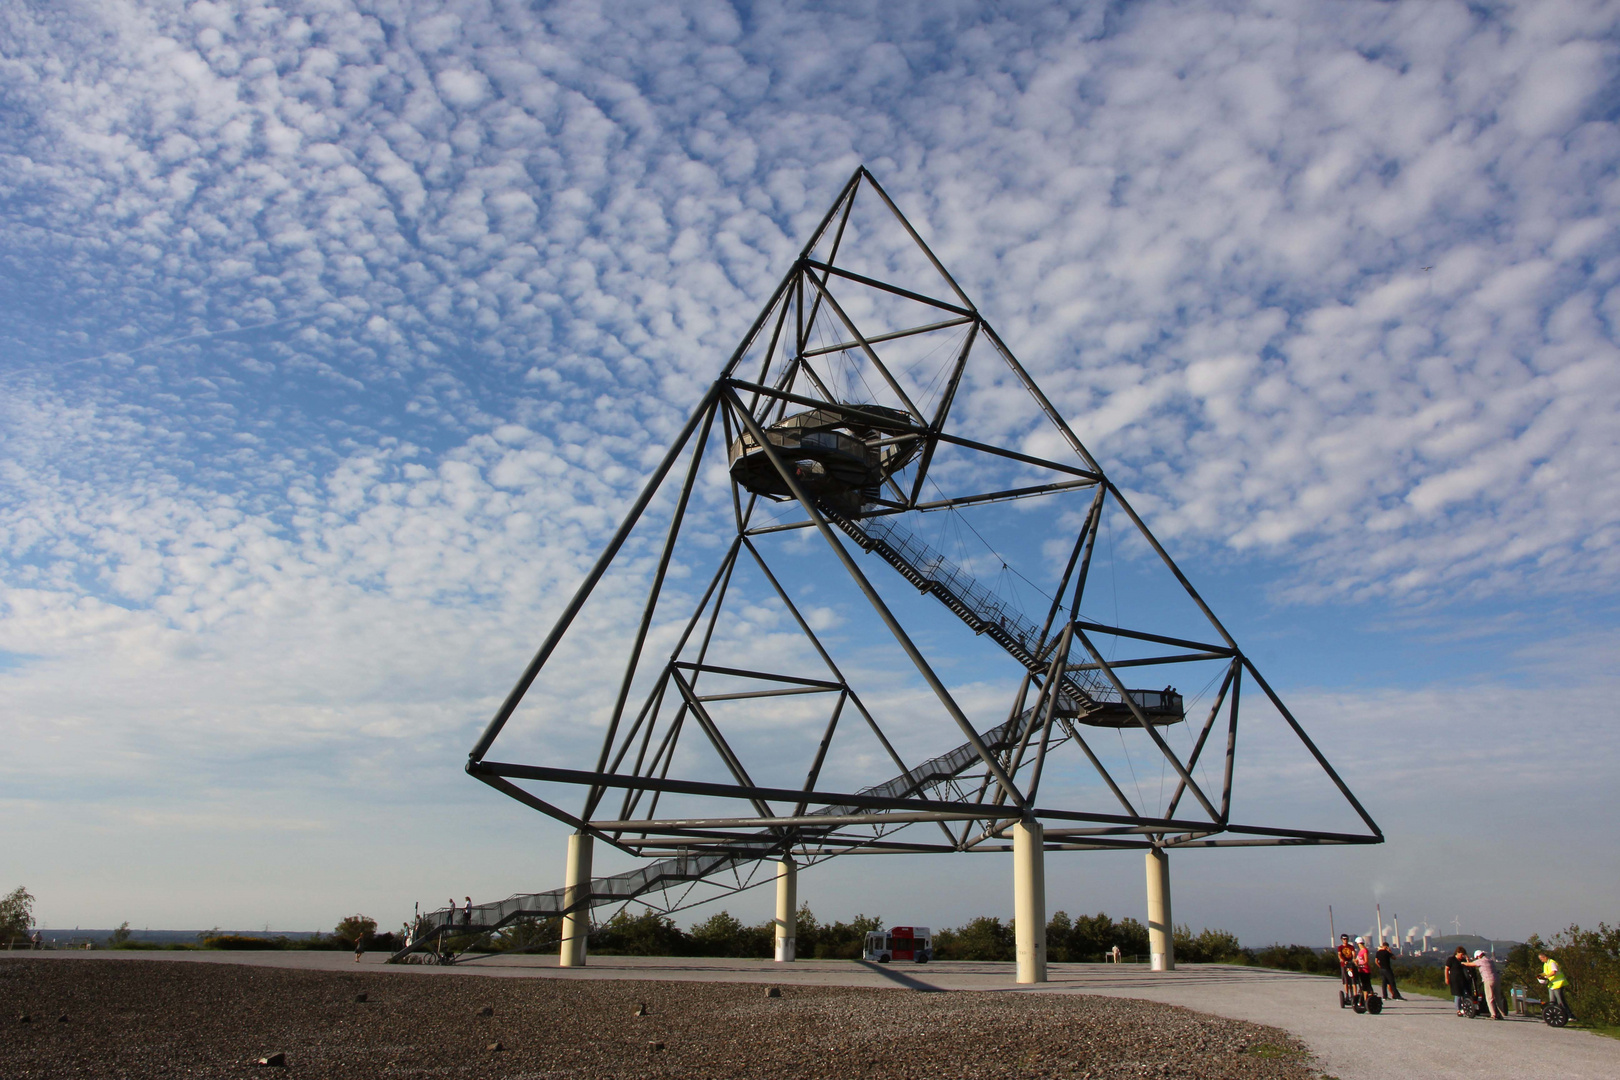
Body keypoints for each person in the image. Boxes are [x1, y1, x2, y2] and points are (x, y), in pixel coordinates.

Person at [1464, 950, 1505, 1019]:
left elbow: (1470, 964)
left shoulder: (1481, 961)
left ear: (1478, 956)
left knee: (1489, 998)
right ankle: (1502, 1014)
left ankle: (1493, 1015)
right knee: (1498, 998)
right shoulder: (1490, 960)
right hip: (1497, 980)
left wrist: (1463, 963)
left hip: (1488, 980)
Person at [1538, 952, 1577, 1022]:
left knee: (1560, 1001)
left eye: (1541, 959)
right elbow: (1545, 972)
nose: (1541, 960)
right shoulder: (1545, 964)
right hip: (1552, 984)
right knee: (1552, 1001)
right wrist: (1540, 976)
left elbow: (1554, 972)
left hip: (1558, 983)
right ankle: (1555, 1016)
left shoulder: (1552, 962)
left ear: (1545, 957)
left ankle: (1570, 1015)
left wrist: (1546, 977)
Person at [1444, 946, 1471, 1015]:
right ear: (1457, 953)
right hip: (1455, 980)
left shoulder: (1463, 960)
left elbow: (1469, 967)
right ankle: (1458, 1009)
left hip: (1464, 979)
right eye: (1461, 954)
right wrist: (1447, 978)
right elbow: (1446, 969)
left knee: (1465, 994)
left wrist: (1468, 960)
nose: (1462, 956)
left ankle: (1466, 1008)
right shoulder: (1451, 959)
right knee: (1458, 994)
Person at [1352, 937, 1374, 1004]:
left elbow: (1366, 961)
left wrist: (1360, 965)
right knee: (1363, 985)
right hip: (1361, 970)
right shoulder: (1360, 951)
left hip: (1365, 970)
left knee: (1366, 984)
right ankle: (1365, 999)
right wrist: (1355, 961)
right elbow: (1357, 960)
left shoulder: (1365, 950)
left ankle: (1370, 997)